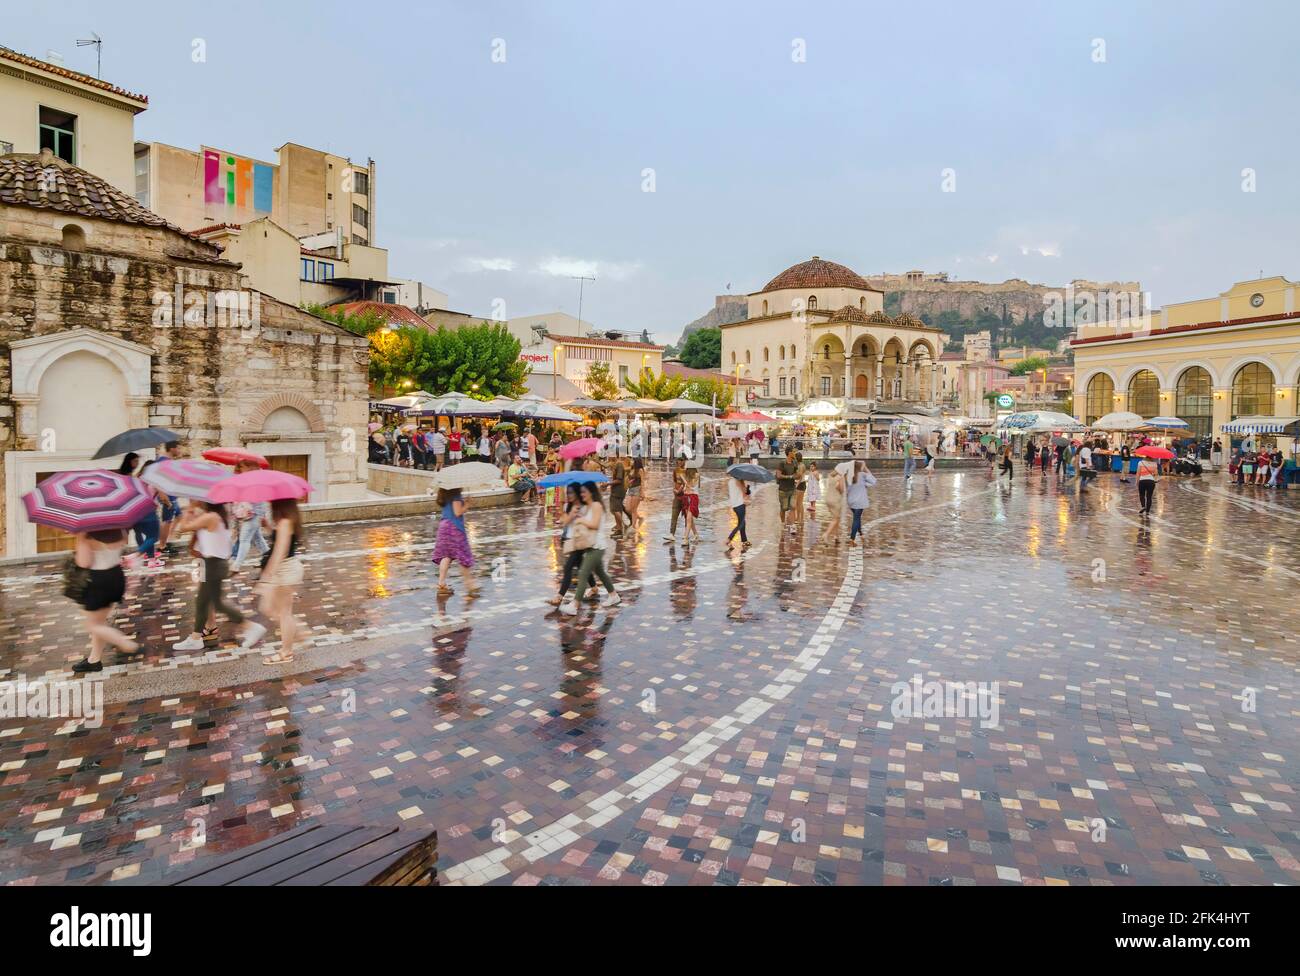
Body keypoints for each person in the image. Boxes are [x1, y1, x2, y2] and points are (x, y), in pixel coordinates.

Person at [171, 501, 266, 652]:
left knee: (217, 604)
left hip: (213, 565)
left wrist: (188, 512)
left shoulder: (211, 517)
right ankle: (196, 638)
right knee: (202, 602)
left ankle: (252, 627)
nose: (196, 501)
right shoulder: (218, 516)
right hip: (213, 564)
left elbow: (183, 528)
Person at [69, 528, 140, 674]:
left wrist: (79, 540)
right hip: (116, 576)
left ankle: (124, 643)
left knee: (92, 625)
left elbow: (84, 563)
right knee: (100, 622)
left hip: (99, 581)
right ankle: (94, 661)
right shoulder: (120, 529)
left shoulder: (86, 534)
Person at [559, 482, 621, 614]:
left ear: (591, 492)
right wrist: (577, 516)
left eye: (584, 492)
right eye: (581, 492)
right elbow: (572, 521)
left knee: (583, 573)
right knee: (601, 573)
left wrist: (581, 520)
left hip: (597, 546)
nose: (582, 494)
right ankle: (613, 595)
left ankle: (574, 605)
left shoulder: (597, 505)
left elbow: (595, 525)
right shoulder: (588, 507)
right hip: (590, 545)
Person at [257, 498, 305, 665]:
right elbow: (280, 542)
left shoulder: (285, 522)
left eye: (271, 502)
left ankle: (286, 652)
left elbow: (279, 552)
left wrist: (265, 578)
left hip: (285, 570)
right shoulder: (285, 521)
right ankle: (297, 632)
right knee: (270, 609)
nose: (269, 503)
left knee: (282, 612)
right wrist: (268, 527)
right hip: (284, 569)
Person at [119, 453, 163, 569]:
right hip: (147, 510)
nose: (138, 463)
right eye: (136, 461)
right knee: (154, 536)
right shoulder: (148, 480)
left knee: (142, 534)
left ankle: (150, 560)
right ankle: (137, 555)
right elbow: (162, 495)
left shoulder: (136, 478)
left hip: (136, 510)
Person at [229, 459, 271, 572]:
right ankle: (269, 559)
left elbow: (257, 497)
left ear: (249, 467)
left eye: (241, 467)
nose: (240, 469)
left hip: (254, 512)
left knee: (244, 539)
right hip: (250, 512)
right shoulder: (247, 478)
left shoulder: (257, 479)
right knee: (257, 538)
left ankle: (237, 565)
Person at [548, 486, 586, 606]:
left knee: (568, 568)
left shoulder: (581, 507)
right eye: (567, 493)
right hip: (571, 540)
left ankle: (559, 597)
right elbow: (564, 520)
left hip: (579, 541)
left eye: (571, 493)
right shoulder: (570, 506)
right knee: (581, 565)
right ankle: (595, 588)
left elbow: (569, 521)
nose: (569, 495)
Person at [149, 441, 185, 554]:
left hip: (171, 494)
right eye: (178, 448)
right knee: (167, 521)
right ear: (172, 449)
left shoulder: (168, 461)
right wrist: (162, 494)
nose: (180, 451)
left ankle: (167, 539)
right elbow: (156, 479)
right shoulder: (163, 461)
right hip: (167, 495)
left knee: (179, 515)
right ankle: (162, 546)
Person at [845, 460, 877, 545]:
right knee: (856, 519)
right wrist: (865, 468)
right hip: (859, 501)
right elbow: (874, 481)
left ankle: (861, 534)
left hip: (851, 501)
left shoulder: (849, 475)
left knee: (857, 518)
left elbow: (847, 489)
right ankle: (852, 539)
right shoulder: (862, 475)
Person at [663, 459, 687, 543]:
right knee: (674, 515)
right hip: (677, 496)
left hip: (686, 496)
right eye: (678, 460)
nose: (680, 462)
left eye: (681, 460)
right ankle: (672, 533)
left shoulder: (688, 470)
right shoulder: (676, 470)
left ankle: (686, 536)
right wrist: (674, 489)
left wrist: (680, 490)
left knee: (687, 517)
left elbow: (687, 483)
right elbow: (675, 481)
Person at [726, 470, 751, 550]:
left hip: (734, 505)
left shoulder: (730, 481)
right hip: (740, 505)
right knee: (740, 524)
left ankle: (744, 540)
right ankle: (729, 539)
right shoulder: (738, 481)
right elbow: (745, 492)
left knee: (743, 522)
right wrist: (747, 489)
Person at [776, 448, 799, 534]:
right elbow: (778, 475)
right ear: (789, 453)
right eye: (793, 452)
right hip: (783, 490)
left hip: (792, 488)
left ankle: (793, 526)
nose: (794, 453)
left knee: (793, 507)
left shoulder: (795, 462)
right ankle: (782, 523)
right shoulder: (782, 463)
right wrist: (789, 477)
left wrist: (798, 475)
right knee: (783, 508)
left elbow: (796, 474)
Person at [624, 457, 646, 535]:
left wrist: (642, 493)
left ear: (636, 462)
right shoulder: (631, 469)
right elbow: (628, 480)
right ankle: (640, 518)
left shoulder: (640, 470)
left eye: (632, 460)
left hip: (637, 490)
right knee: (627, 508)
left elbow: (642, 482)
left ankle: (633, 526)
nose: (631, 461)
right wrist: (629, 482)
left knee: (633, 509)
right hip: (630, 490)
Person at [607, 456, 628, 538]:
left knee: (615, 509)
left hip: (618, 491)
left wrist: (608, 484)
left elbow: (619, 479)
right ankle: (619, 527)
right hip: (616, 490)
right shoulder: (616, 464)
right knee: (617, 509)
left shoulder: (619, 465)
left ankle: (620, 528)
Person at [682, 468, 701, 544]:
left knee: (689, 518)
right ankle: (696, 534)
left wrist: (685, 480)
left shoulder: (696, 476)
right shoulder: (685, 476)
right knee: (689, 518)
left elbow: (691, 485)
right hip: (686, 497)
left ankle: (685, 538)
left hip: (693, 497)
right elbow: (685, 488)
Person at [794, 451, 808, 528]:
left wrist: (796, 485)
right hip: (802, 484)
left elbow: (800, 477)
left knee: (797, 503)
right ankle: (801, 519)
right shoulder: (801, 465)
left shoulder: (801, 466)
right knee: (800, 503)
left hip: (800, 484)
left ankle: (798, 519)